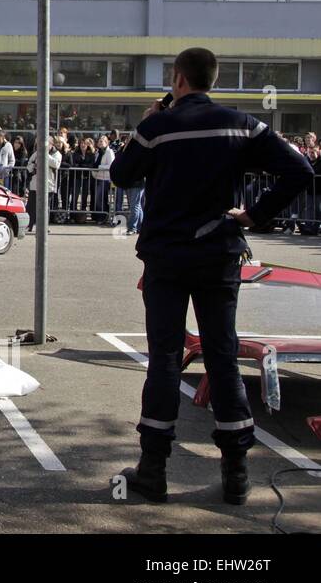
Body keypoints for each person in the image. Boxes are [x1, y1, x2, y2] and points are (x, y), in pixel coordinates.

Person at [110, 47, 314, 506]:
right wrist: (254, 215)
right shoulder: (241, 124)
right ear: (211, 79)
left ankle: (153, 470)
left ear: (178, 79)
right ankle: (237, 473)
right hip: (219, 252)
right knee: (222, 356)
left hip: (166, 256)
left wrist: (148, 122)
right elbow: (298, 169)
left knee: (164, 357)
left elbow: (122, 176)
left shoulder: (157, 126)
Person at [25, 137, 61, 235]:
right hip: (35, 184)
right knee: (31, 206)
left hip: (48, 185)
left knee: (45, 207)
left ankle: (44, 226)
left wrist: (45, 155)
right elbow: (29, 164)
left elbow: (56, 164)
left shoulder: (57, 154)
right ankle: (29, 224)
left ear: (51, 145)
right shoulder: (36, 153)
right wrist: (33, 167)